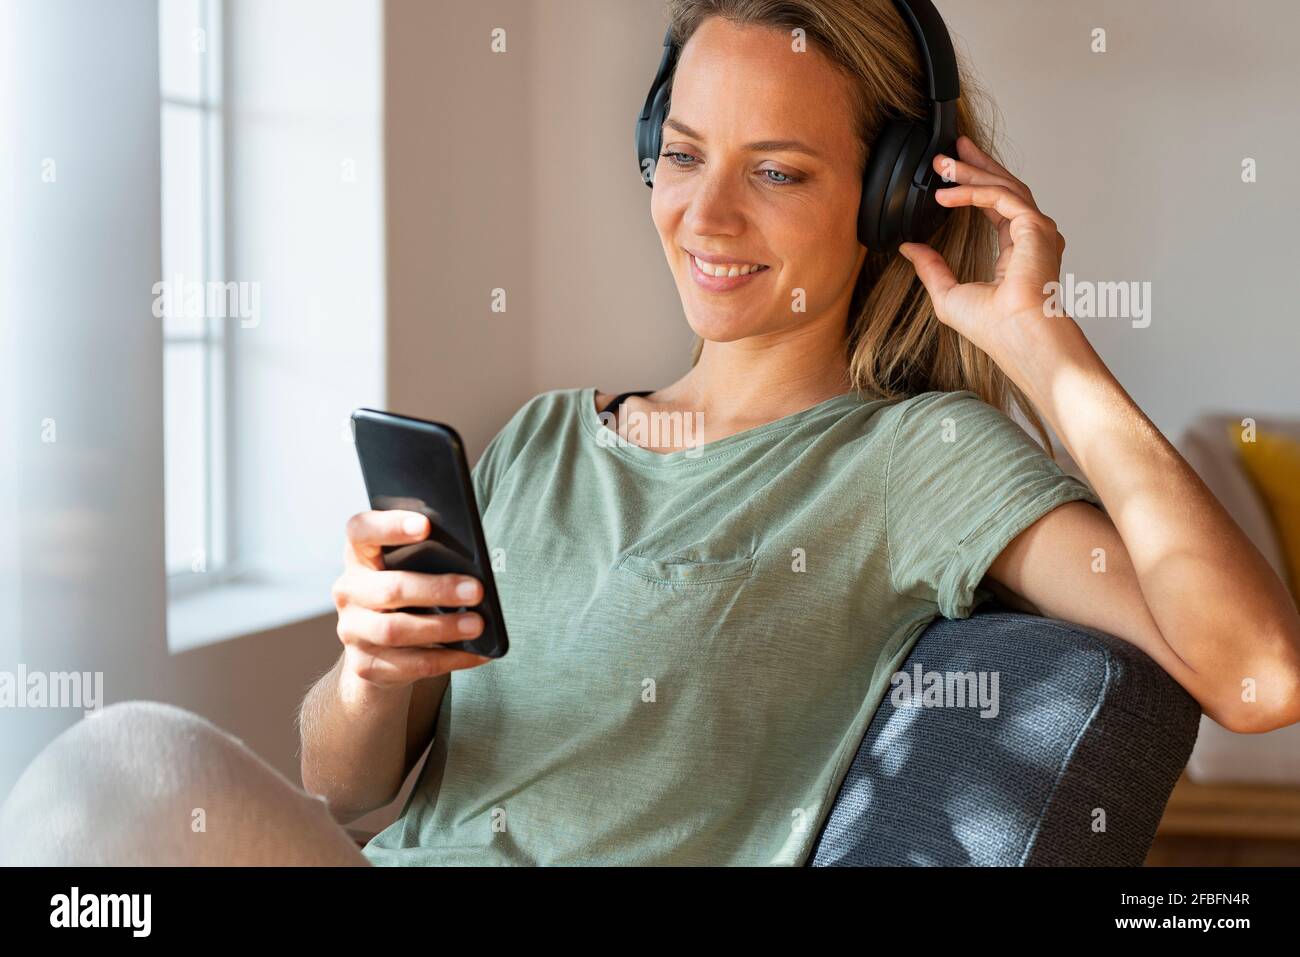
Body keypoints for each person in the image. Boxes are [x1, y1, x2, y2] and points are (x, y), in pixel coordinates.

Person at [4, 0, 1298, 867]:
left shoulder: (913, 464)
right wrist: (373, 666)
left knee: (120, 762)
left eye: (778, 170)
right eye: (681, 154)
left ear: (893, 194)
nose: (705, 214)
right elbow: (344, 790)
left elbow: (1255, 675)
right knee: (122, 789)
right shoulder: (542, 443)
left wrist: (1041, 337)